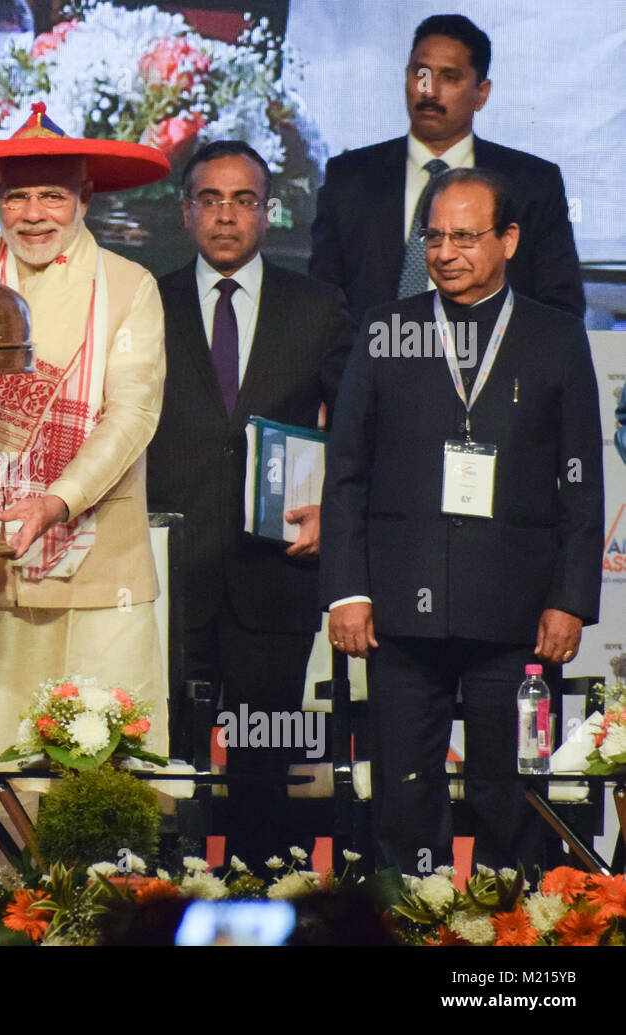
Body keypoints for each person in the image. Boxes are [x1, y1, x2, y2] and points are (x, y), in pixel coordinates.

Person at [321, 167, 603, 874]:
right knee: (402, 794)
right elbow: (347, 468)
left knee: (510, 791)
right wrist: (347, 590)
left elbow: (581, 482)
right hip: (398, 610)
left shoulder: (556, 336)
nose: (446, 252)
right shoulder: (388, 330)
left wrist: (570, 598)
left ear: (508, 239)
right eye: (435, 237)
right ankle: (409, 919)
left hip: (514, 614)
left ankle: (519, 936)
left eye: (465, 237)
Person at [0, 103, 171, 756]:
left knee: (103, 762)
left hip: (98, 565)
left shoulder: (130, 286)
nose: (34, 214)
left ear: (85, 196)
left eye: (52, 195)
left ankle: (99, 869)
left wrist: (55, 500)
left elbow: (132, 415)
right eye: (17, 196)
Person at [146, 140, 354, 868]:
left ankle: (270, 904)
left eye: (243, 200)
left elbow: (359, 429)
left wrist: (332, 506)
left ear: (269, 212)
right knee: (165, 767)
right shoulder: (149, 299)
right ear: (186, 210)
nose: (226, 215)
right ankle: (160, 908)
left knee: (264, 764)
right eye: (210, 199)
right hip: (170, 572)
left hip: (276, 574)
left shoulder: (319, 306)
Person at [309, 13, 583, 324]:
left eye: (449, 77)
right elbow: (322, 305)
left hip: (491, 366)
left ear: (481, 94)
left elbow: (560, 308)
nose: (428, 90)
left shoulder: (533, 185)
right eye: (420, 73)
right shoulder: (349, 177)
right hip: (372, 361)